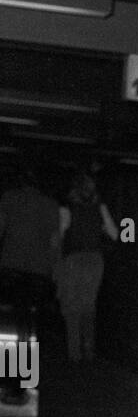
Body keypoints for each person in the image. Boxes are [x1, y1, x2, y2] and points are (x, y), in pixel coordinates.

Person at [0, 163, 60, 402]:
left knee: (11, 323)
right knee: (31, 324)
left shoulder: (8, 199)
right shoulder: (51, 205)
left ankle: (9, 377)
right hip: (38, 271)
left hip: (11, 267)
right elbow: (55, 242)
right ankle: (26, 377)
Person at [56, 172, 118, 363]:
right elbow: (115, 234)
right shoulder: (100, 207)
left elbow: (60, 232)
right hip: (95, 259)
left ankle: (74, 352)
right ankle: (88, 349)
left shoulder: (67, 206)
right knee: (88, 305)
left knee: (71, 306)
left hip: (73, 258)